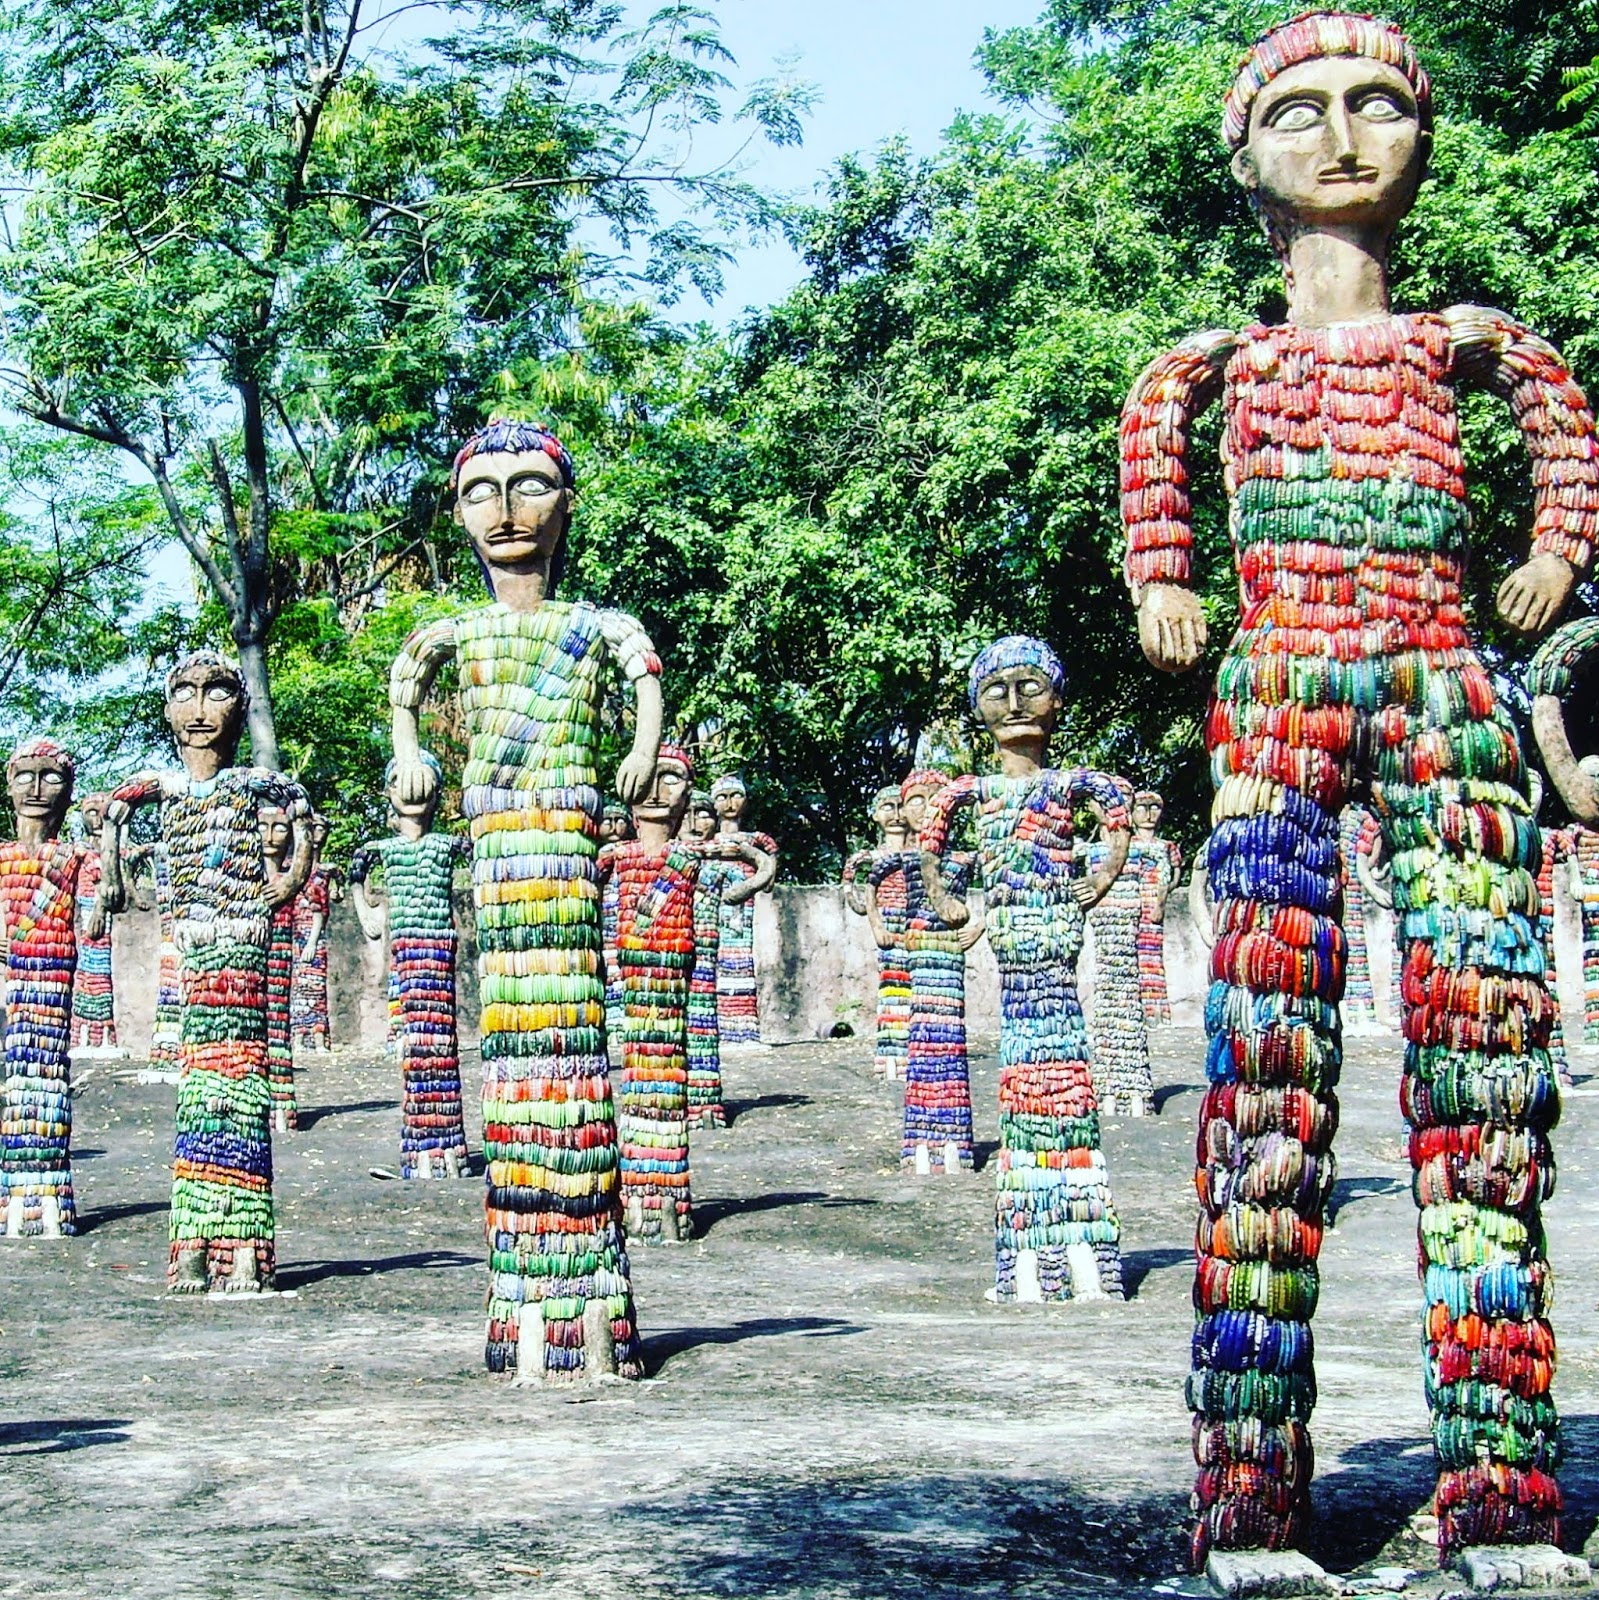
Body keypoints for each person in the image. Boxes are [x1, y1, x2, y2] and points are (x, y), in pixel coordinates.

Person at [1120, 11, 1596, 1562]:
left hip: (1440, 677)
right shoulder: (1207, 365)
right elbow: (1150, 471)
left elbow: (1560, 445)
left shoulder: (1468, 340)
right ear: (1244, 159)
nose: (1339, 136)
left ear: (1418, 141)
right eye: (1301, 111)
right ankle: (1247, 1497)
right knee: (1264, 1075)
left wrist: (1545, 554)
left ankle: (1501, 1489)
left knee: (1483, 1071)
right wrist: (1165, 582)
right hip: (1274, 688)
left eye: (1375, 104)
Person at [387, 417, 662, 1381]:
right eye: (482, 489)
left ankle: (591, 1297)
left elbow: (644, 682)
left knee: (573, 1049)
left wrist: (634, 749)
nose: (506, 507)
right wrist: (410, 751)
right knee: (513, 1049)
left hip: (565, 836)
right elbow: (406, 685)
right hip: (500, 845)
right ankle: (521, 1299)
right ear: (459, 512)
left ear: (567, 505)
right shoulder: (452, 631)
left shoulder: (600, 627)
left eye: (530, 484)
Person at [921, 638, 1131, 1300]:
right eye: (996, 690)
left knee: (1062, 1073)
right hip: (1012, 955)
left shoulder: (1068, 787)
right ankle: (1032, 1246)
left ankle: (1077, 1240)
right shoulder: (970, 792)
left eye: (1029, 687)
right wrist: (947, 900)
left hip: (1056, 949)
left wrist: (1093, 884)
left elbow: (1117, 816)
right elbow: (932, 843)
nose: (1014, 703)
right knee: (1025, 1070)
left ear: (1057, 699)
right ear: (978, 708)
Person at [96, 652, 312, 1293]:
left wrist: (286, 885)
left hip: (243, 941)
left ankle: (245, 1251)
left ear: (239, 707)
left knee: (241, 1086)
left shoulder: (253, 785)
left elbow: (302, 816)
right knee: (201, 1092)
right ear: (167, 710)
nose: (197, 710)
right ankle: (193, 1248)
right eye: (184, 694)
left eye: (215, 693)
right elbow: (112, 812)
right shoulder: (158, 787)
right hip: (195, 944)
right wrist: (112, 876)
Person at [350, 753, 470, 1178]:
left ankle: (448, 1139)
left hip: (439, 947)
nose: (412, 791)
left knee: (441, 1044)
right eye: (401, 781)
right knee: (417, 1046)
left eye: (422, 782)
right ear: (388, 792)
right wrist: (367, 910)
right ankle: (421, 1141)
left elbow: (481, 855)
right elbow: (356, 872)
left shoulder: (448, 845)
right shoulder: (379, 849)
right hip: (406, 949)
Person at [1, 738, 85, 1237]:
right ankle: (14, 1191)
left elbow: (95, 922)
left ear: (68, 790)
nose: (36, 788)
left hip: (54, 989)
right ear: (8, 786)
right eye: (25, 775)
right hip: (15, 995)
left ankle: (52, 1192)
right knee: (16, 1092)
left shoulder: (77, 860)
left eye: (50, 776)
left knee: (48, 1090)